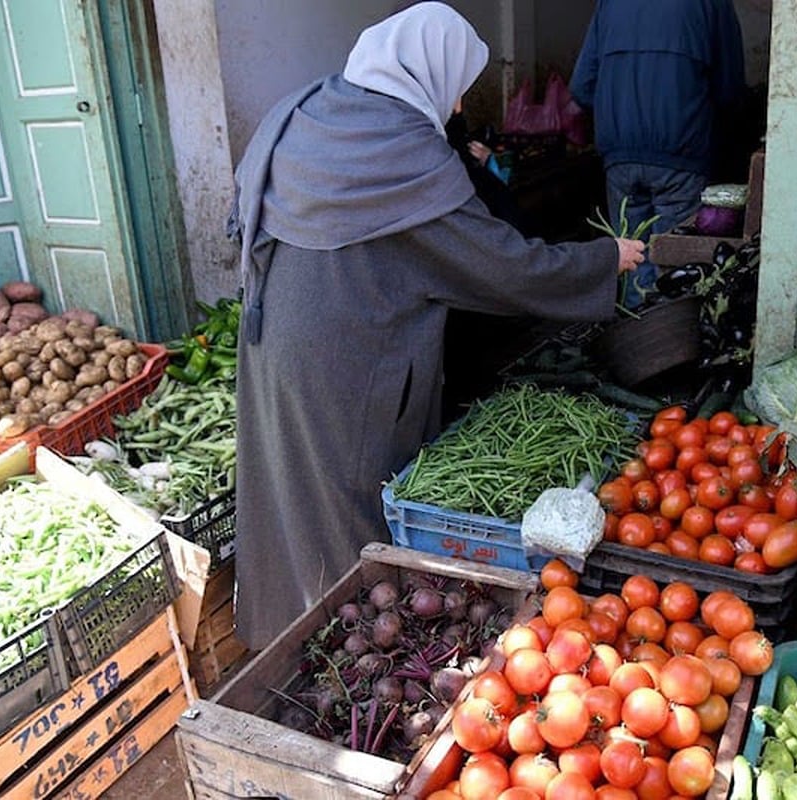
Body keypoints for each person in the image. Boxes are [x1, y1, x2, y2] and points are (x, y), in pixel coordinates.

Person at [228, 2, 646, 650]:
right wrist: (601, 262)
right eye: (456, 87)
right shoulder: (401, 152)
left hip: (274, 337)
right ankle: (342, 648)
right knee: (354, 501)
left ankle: (280, 630)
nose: (455, 108)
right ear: (428, 71)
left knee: (289, 491)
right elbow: (502, 265)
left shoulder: (314, 107)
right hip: (348, 358)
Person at [569, 0, 746, 237]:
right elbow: (729, 91)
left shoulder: (610, 4)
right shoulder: (712, 4)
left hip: (620, 158)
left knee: (631, 257)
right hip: (682, 155)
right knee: (674, 260)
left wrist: (619, 114)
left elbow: (581, 86)